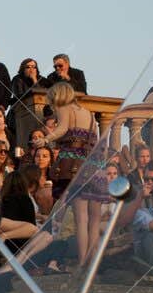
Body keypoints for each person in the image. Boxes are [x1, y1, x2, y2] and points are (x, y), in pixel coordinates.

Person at [42, 80, 107, 263]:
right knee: (94, 220)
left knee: (81, 218)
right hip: (96, 166)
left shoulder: (65, 108)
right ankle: (93, 262)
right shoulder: (89, 114)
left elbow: (61, 130)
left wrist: (45, 139)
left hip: (75, 166)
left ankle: (82, 263)